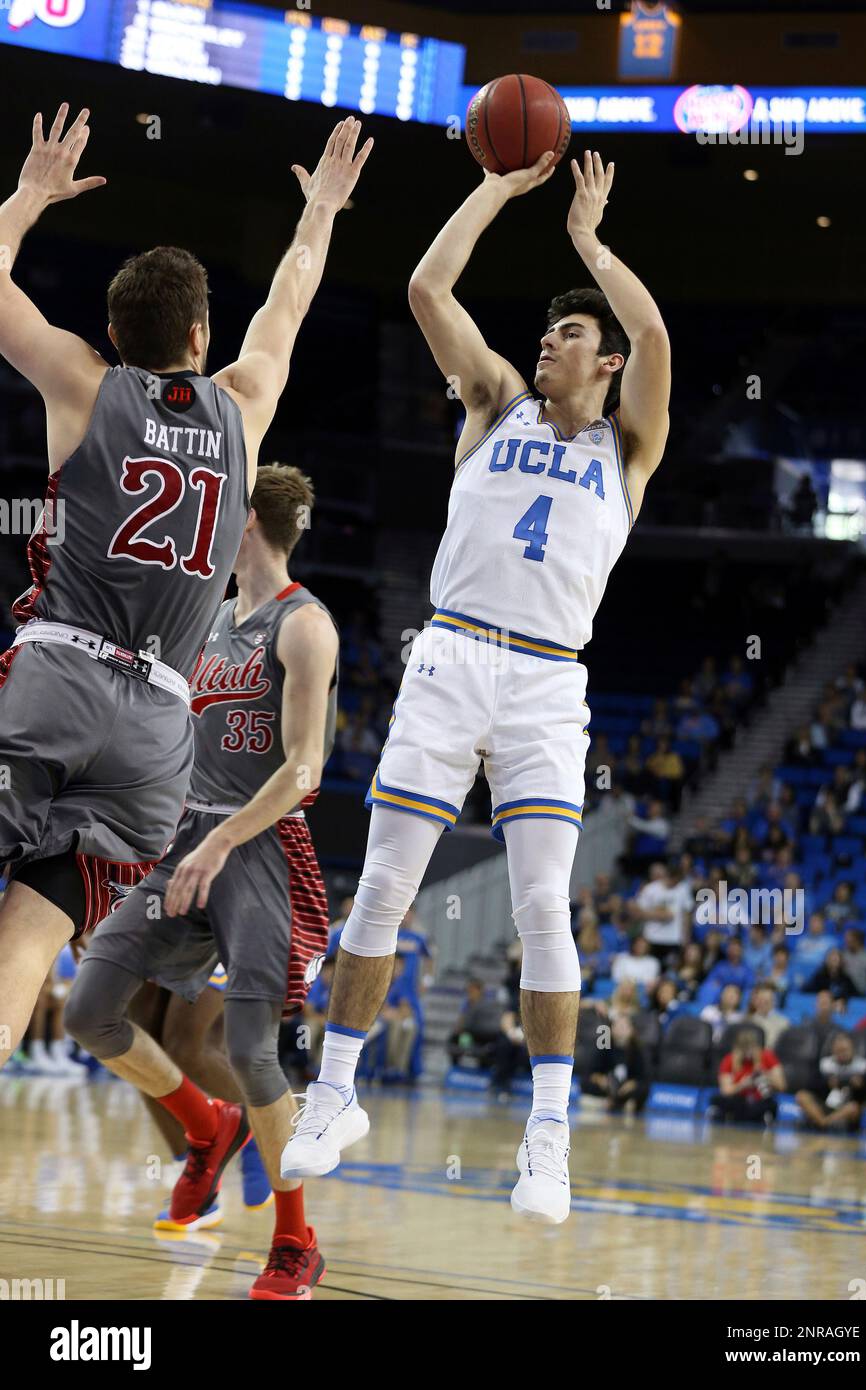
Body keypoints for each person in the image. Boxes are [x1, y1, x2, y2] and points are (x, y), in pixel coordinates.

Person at [281, 147, 671, 1226]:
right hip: (451, 654)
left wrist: (591, 245)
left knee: (544, 901)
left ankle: (547, 1137)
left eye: (569, 333)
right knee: (385, 884)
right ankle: (332, 1094)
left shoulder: (629, 445)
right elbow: (425, 288)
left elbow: (659, 338)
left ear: (603, 363)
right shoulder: (492, 400)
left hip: (548, 681)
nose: (547, 341)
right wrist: (498, 191)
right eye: (547, 329)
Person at [0, 108, 370, 1071]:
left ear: (114, 333)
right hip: (159, 736)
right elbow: (288, 303)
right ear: (203, 336)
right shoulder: (243, 410)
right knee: (25, 951)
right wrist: (321, 210)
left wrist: (30, 196)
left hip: (59, 682)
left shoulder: (84, 382)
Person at [65, 464, 342, 1301]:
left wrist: (220, 841)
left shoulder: (304, 626)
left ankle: (296, 1239)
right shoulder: (209, 622)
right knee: (88, 1009)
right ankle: (205, 1125)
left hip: (257, 847)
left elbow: (304, 769)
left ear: (248, 522)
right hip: (182, 838)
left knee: (250, 1049)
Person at [795, 1031, 866, 1131]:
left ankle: (823, 1123)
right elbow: (809, 1086)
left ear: (853, 1049)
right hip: (824, 1104)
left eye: (845, 1050)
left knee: (853, 1108)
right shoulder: (825, 1064)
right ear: (833, 1051)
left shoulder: (863, 1066)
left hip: (845, 1108)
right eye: (839, 1051)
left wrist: (861, 1085)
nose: (843, 1054)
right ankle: (823, 1121)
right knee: (801, 1096)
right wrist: (827, 1083)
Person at [710, 1031, 785, 1125]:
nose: (749, 1053)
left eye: (751, 1048)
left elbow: (782, 1086)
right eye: (744, 1049)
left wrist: (766, 1076)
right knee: (717, 1099)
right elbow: (726, 1090)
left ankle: (762, 1116)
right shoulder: (729, 1060)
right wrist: (743, 1085)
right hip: (740, 1100)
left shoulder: (767, 1056)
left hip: (760, 1100)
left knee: (770, 1104)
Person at [746, 983, 790, 1051]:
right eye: (761, 999)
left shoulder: (784, 1022)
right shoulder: (748, 1021)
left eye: (768, 1000)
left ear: (774, 1002)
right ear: (755, 1001)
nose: (764, 1003)